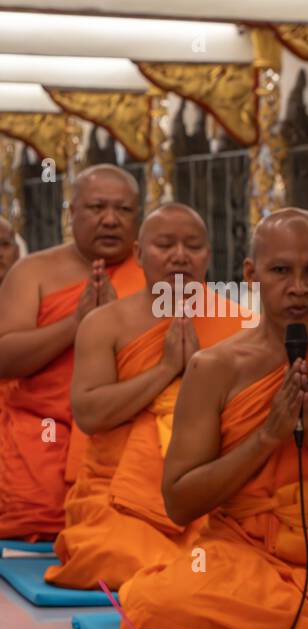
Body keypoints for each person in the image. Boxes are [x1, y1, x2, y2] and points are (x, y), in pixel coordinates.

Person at [101, 209, 308, 629]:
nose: (298, 287)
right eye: (280, 271)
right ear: (251, 275)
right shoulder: (215, 368)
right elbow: (179, 502)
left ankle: (305, 627)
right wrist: (266, 437)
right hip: (242, 560)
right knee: (159, 611)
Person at [46, 203, 249, 589]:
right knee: (120, 556)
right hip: (118, 497)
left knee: (231, 561)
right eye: (165, 245)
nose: (180, 256)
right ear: (138, 253)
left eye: (193, 245)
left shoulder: (239, 324)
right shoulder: (105, 323)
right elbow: (89, 414)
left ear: (209, 255)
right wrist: (165, 371)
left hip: (209, 494)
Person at [0, 166, 144, 540]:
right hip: (45, 421)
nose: (110, 220)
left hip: (125, 421)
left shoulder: (155, 275)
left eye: (124, 210)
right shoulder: (34, 271)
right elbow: (4, 358)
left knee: (132, 520)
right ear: (72, 213)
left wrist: (115, 325)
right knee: (45, 513)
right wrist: (76, 324)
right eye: (97, 207)